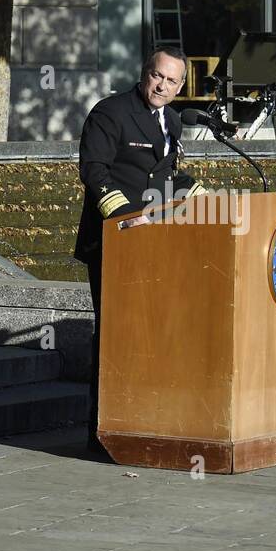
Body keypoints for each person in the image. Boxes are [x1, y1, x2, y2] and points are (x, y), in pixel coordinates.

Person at [74, 44, 203, 457]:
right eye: (157, 76)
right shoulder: (110, 112)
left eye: (172, 81)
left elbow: (163, 174)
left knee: (148, 332)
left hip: (155, 243)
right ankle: (100, 431)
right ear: (145, 73)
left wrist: (195, 192)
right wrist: (126, 218)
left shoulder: (174, 122)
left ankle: (143, 421)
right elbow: (94, 170)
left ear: (182, 86)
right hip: (115, 239)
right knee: (114, 335)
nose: (162, 86)